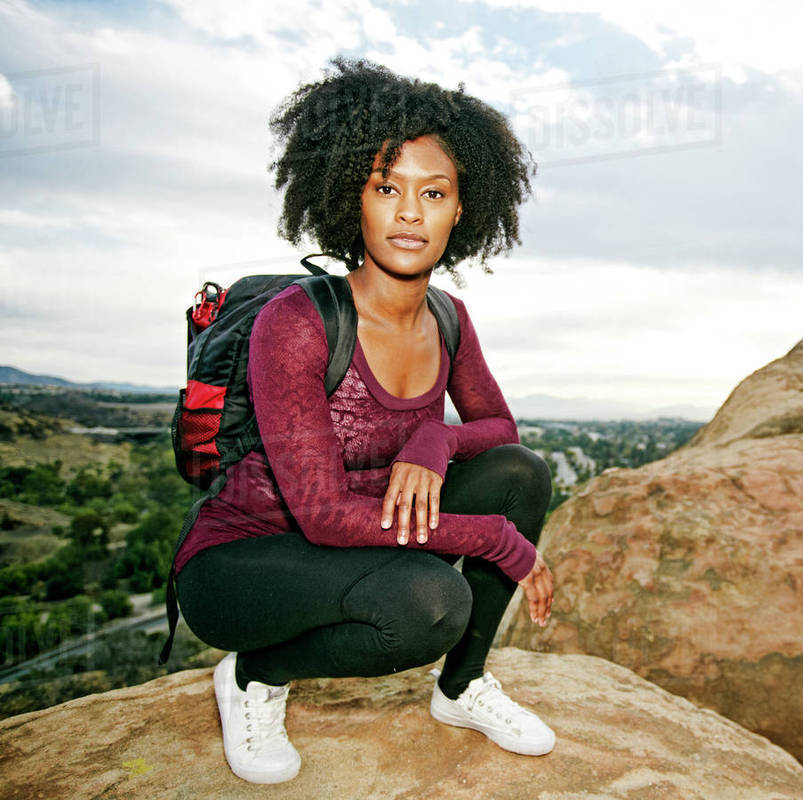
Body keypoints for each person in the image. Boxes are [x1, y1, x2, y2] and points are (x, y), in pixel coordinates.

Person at [172, 59, 555, 784]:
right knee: (429, 603)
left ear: (460, 209)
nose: (410, 213)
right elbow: (320, 516)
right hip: (246, 564)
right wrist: (495, 540)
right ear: (356, 196)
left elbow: (499, 425)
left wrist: (436, 436)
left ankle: (462, 686)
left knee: (520, 474)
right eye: (388, 188)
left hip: (362, 540)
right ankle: (255, 674)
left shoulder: (449, 318)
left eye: (433, 192)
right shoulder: (299, 321)